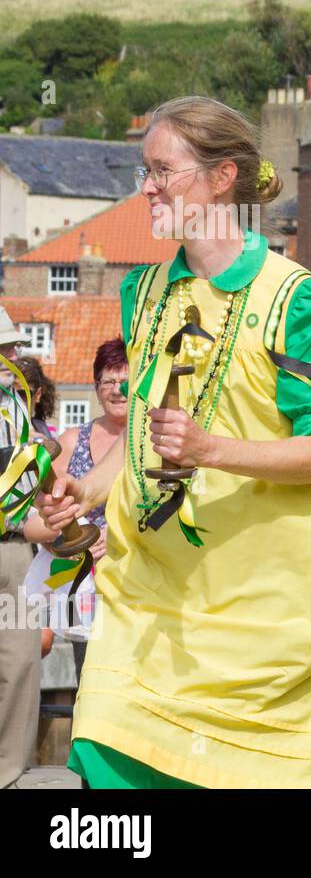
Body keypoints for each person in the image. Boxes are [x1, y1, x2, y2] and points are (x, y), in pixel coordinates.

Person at [36, 95, 311, 789]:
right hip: (156, 604)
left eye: (161, 170)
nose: (146, 187)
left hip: (276, 613)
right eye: (143, 171)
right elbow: (143, 433)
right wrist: (82, 488)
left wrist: (210, 450)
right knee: (113, 766)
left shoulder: (302, 299)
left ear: (221, 177)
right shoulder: (143, 293)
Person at [23, 340, 129, 680]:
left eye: (124, 381)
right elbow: (32, 524)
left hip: (140, 585)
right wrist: (70, 535)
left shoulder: (156, 441)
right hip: (86, 592)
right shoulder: (71, 441)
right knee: (90, 679)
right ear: (96, 387)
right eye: (107, 382)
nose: (116, 390)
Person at [0, 309, 40, 790]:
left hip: (16, 551)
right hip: (17, 534)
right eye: (5, 348)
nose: (14, 356)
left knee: (21, 663)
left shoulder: (16, 405)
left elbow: (26, 477)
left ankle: (7, 777)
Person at [12, 357, 57, 438]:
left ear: (37, 395)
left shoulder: (46, 433)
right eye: (5, 393)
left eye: (22, 394)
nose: (13, 399)